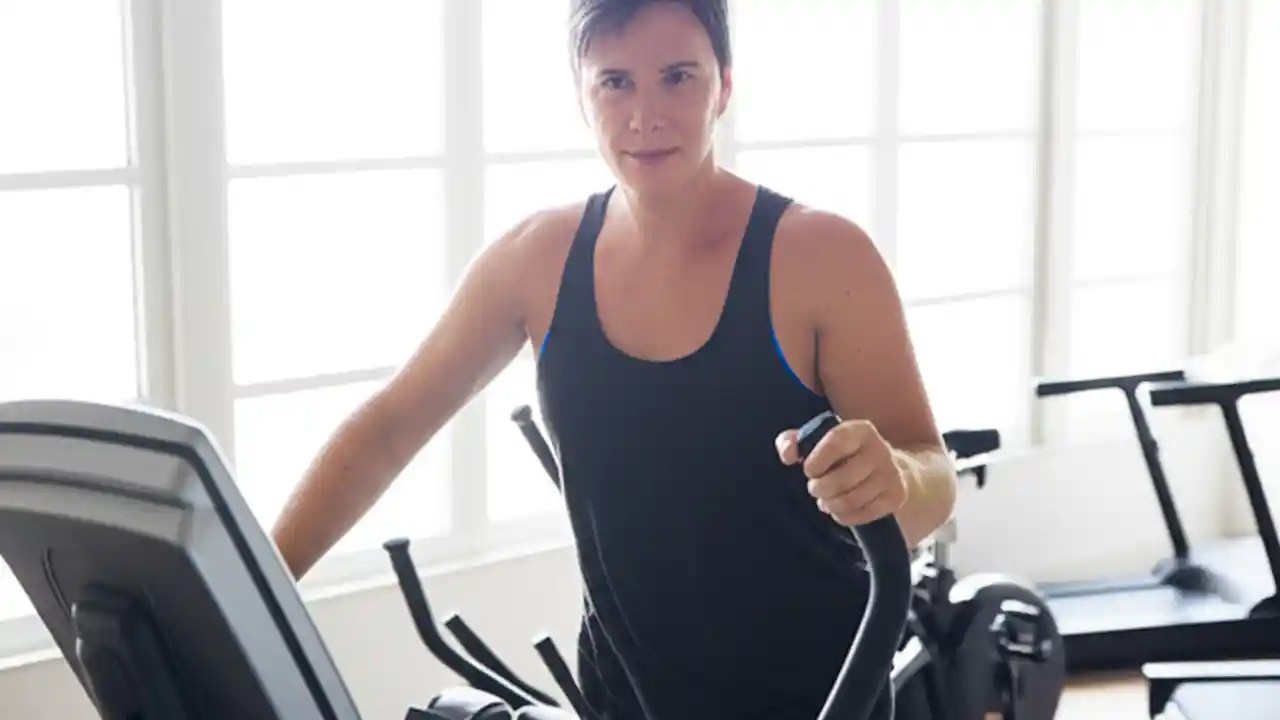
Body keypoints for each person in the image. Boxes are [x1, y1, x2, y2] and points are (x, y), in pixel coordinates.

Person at [270, 1, 958, 718]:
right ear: (581, 94)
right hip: (620, 700)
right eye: (616, 83)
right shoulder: (534, 259)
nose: (646, 115)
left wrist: (893, 482)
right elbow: (388, 429)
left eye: (677, 77)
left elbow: (931, 473)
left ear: (724, 85)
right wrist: (253, 582)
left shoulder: (822, 255)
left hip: (817, 700)